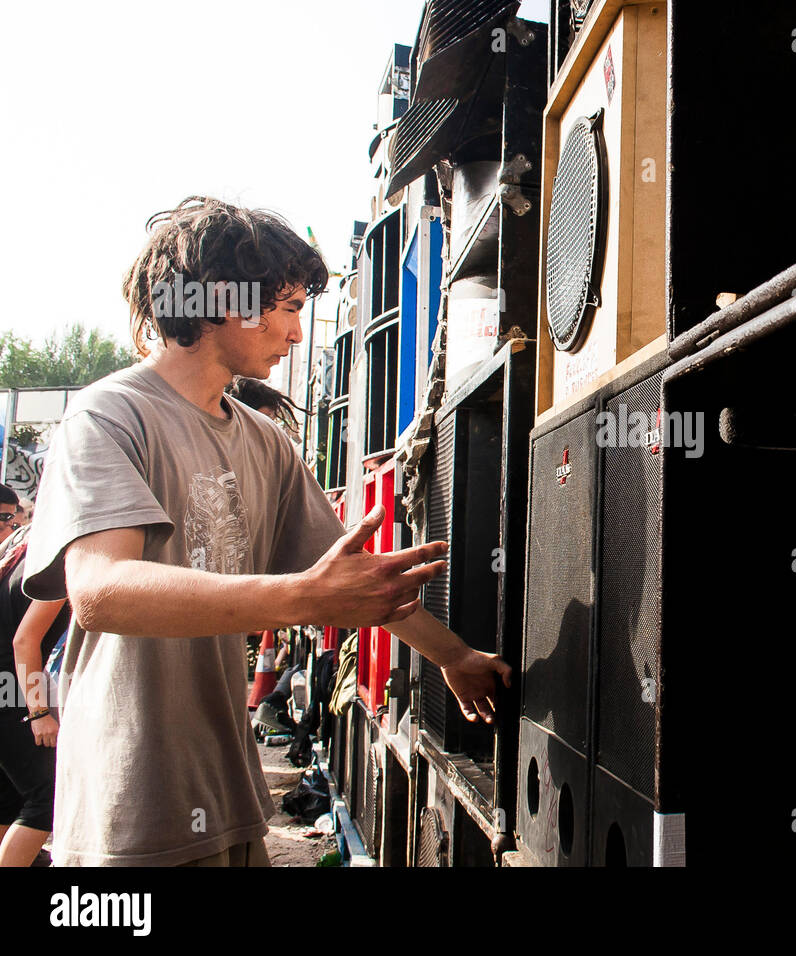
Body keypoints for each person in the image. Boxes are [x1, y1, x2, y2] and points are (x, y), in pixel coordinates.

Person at [22, 196, 510, 867]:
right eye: (287, 309)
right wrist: (301, 598)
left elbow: (355, 582)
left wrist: (453, 657)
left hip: (230, 792)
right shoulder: (109, 417)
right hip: (131, 808)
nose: (297, 334)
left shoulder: (264, 442)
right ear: (227, 301)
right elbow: (103, 594)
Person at [0, 483, 70, 866]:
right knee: (46, 802)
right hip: (14, 696)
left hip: (10, 692)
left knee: (10, 801)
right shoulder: (55, 562)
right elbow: (24, 640)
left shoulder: (19, 548)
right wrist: (39, 712)